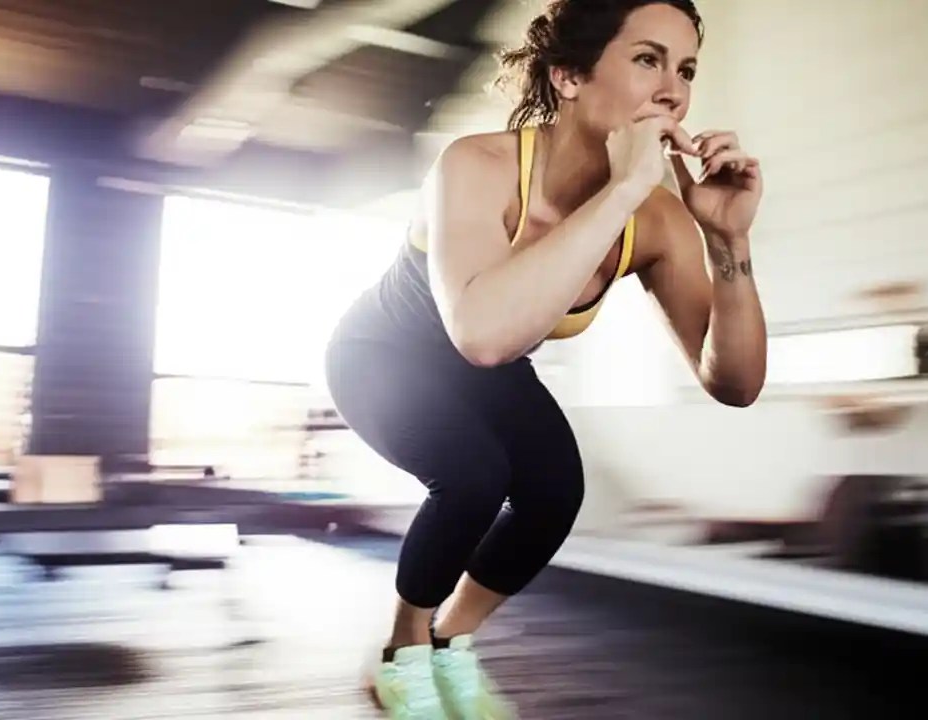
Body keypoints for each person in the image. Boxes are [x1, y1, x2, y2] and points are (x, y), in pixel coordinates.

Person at [324, 0, 767, 717]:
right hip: (386, 353)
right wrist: (624, 186)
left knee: (556, 490)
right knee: (472, 476)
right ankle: (401, 654)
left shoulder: (657, 222)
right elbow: (482, 335)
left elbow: (736, 382)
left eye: (685, 70)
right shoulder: (477, 165)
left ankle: (451, 643)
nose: (674, 91)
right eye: (648, 59)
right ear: (567, 75)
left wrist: (727, 242)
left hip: (488, 372)